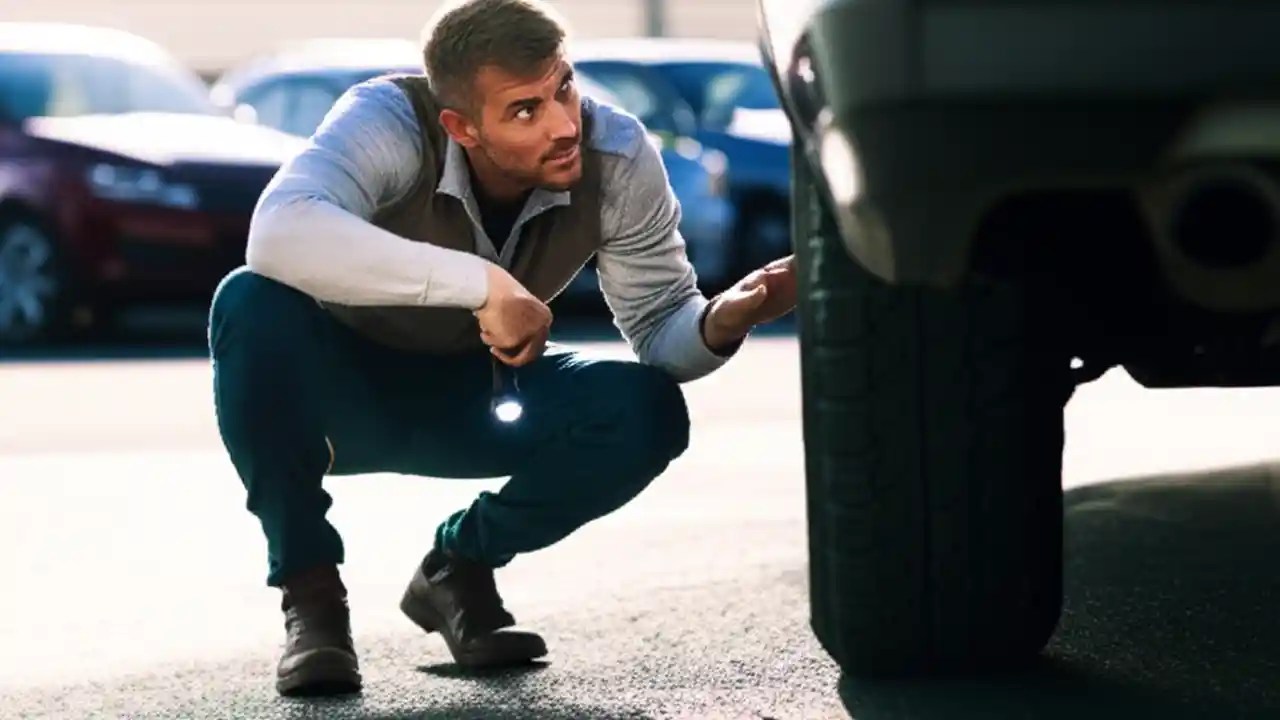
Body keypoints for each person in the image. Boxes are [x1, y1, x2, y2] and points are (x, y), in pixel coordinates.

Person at [207, 0, 797, 698]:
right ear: (462, 126)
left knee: (647, 407)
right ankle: (313, 603)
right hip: (343, 405)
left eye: (565, 88)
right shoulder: (391, 120)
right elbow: (279, 233)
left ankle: (457, 566)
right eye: (524, 110)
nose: (562, 124)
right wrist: (481, 285)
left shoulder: (616, 153)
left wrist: (724, 318)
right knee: (249, 301)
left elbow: (662, 333)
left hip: (484, 400)